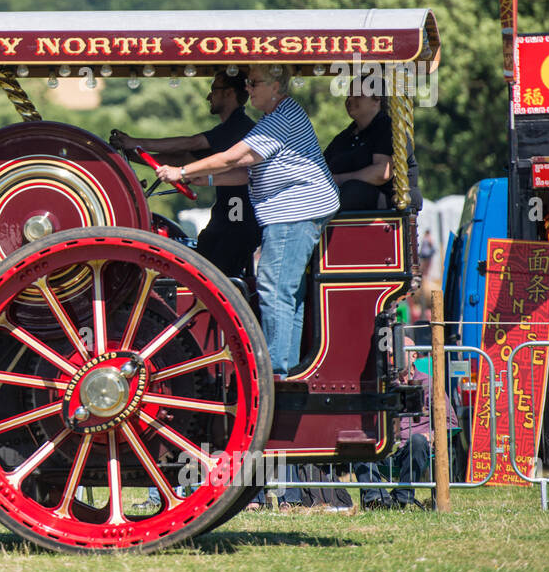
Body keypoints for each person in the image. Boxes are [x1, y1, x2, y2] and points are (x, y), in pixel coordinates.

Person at [155, 65, 339, 378]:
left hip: (294, 212)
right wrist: (206, 179)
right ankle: (286, 368)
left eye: (254, 83)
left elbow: (236, 158)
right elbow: (246, 172)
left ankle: (276, 373)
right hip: (296, 211)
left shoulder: (280, 120)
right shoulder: (274, 118)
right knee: (286, 292)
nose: (249, 88)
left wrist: (182, 172)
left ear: (277, 86)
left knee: (273, 287)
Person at [112, 71, 261, 278]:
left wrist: (136, 142)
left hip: (238, 225)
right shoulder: (227, 130)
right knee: (202, 258)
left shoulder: (239, 126)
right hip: (226, 220)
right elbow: (184, 156)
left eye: (214, 91)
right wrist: (137, 156)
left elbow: (191, 142)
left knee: (215, 277)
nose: (209, 97)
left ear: (228, 93)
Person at [355, 354, 459, 508]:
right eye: (389, 354)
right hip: (384, 449)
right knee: (356, 444)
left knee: (417, 440)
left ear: (413, 356)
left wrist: (430, 436)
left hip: (414, 449)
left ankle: (401, 498)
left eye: (396, 352)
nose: (392, 357)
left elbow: (451, 422)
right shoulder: (382, 384)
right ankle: (378, 499)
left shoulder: (430, 383)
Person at [323, 88, 422, 212]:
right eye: (348, 95)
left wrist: (338, 180)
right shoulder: (343, 138)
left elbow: (382, 173)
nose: (350, 99)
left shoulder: (389, 129)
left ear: (377, 99)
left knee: (352, 191)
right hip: (351, 204)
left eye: (358, 94)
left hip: (388, 205)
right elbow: (322, 169)